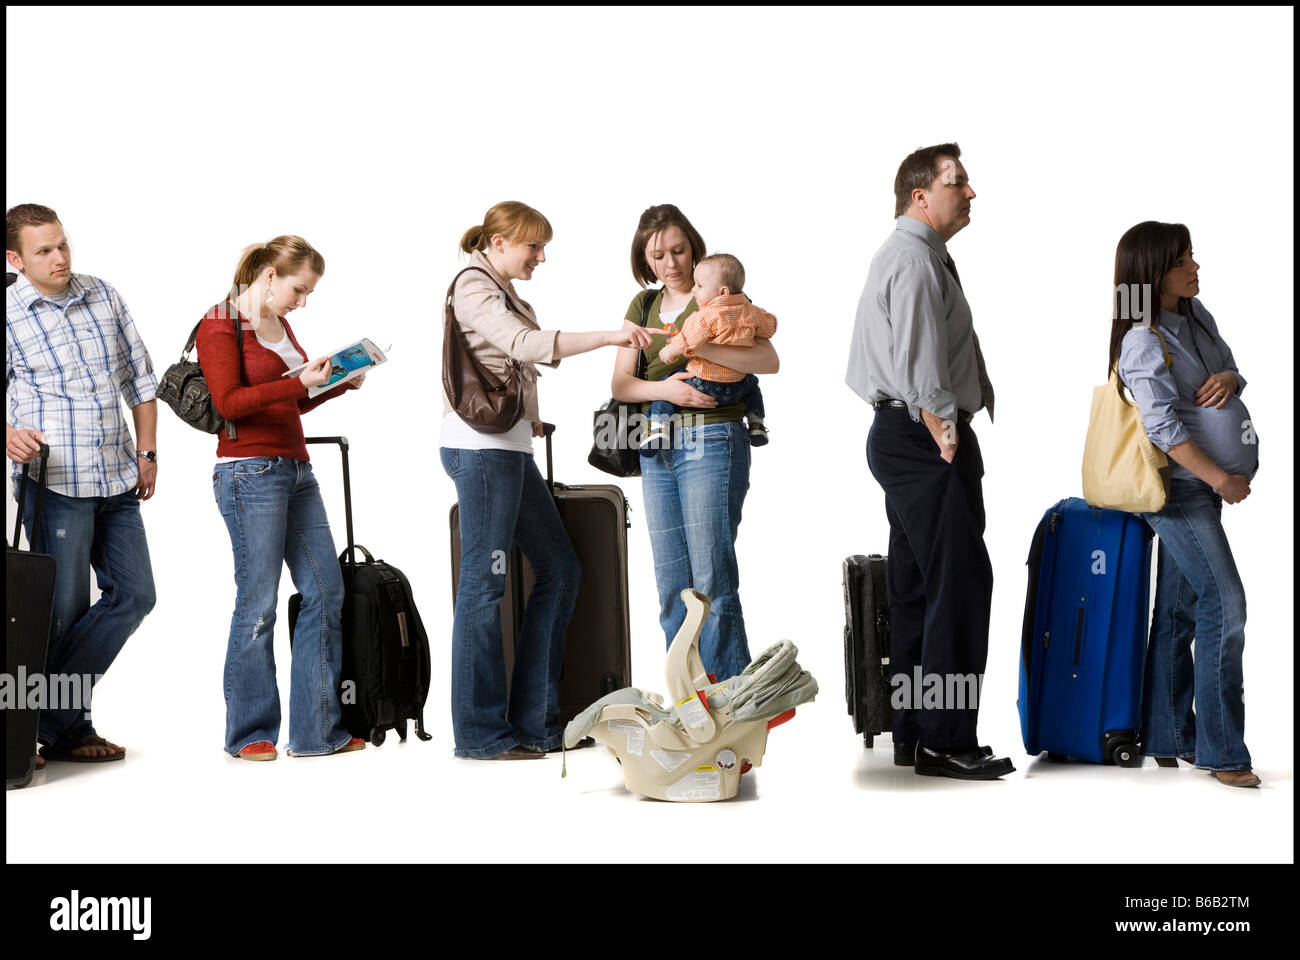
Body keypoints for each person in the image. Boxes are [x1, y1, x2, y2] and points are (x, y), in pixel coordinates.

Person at [442, 201, 653, 761]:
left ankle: (537, 724)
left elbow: (507, 361)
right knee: (483, 589)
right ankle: (480, 735)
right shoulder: (473, 284)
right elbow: (524, 345)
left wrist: (529, 415)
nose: (540, 257)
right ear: (499, 241)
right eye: (532, 246)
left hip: (508, 449)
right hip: (481, 452)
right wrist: (612, 336)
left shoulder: (506, 292)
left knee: (559, 568)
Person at [845, 144, 1014, 780]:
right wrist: (945, 432)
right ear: (922, 195)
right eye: (958, 183)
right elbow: (919, 362)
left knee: (916, 586)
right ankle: (947, 738)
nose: (970, 194)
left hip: (902, 432)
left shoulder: (912, 255)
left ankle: (915, 731)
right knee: (960, 584)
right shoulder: (915, 260)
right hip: (924, 435)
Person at [198, 235, 366, 761]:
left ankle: (317, 731)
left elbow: (289, 406)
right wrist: (300, 385)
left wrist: (335, 383)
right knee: (259, 603)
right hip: (248, 473)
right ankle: (249, 733)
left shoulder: (279, 323)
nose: (303, 301)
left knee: (326, 591)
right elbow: (229, 402)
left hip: (295, 469)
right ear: (270, 275)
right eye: (299, 289)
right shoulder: (220, 321)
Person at [5, 203, 158, 767]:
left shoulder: (103, 294)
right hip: (55, 480)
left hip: (116, 473)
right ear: (14, 259)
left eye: (63, 244)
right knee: (61, 610)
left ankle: (36, 719)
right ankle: (65, 727)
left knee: (135, 595)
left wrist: (147, 452)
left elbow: (140, 377)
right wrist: (8, 435)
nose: (60, 257)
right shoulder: (8, 312)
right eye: (43, 250)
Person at [1112, 221, 1260, 788]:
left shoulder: (1197, 318)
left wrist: (1230, 376)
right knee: (1226, 605)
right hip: (1178, 491)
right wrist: (1221, 478)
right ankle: (1224, 752)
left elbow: (1232, 370)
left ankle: (1172, 736)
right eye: (1183, 261)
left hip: (1201, 490)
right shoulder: (1141, 338)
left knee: (1179, 611)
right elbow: (1163, 428)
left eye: (1193, 257)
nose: (1195, 268)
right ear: (1153, 273)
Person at [610, 204, 779, 683]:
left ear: (693, 249)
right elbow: (623, 384)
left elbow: (767, 360)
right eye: (658, 255)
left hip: (712, 438)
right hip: (655, 445)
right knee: (671, 585)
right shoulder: (640, 308)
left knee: (711, 579)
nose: (671, 264)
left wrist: (695, 344)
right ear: (645, 260)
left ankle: (729, 706)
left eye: (679, 251)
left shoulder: (719, 295)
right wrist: (670, 389)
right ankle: (689, 704)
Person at [646, 252, 775, 450]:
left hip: (704, 384)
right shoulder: (752, 311)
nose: (694, 290)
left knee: (664, 389)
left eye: (699, 286)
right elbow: (769, 328)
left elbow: (690, 340)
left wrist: (669, 351)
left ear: (723, 292)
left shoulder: (705, 316)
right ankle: (756, 422)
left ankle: (658, 428)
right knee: (753, 384)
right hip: (738, 385)